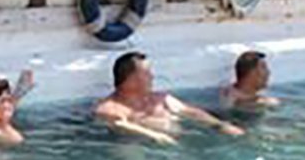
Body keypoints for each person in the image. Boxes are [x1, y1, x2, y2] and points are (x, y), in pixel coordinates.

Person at [95, 52, 245, 145]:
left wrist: (220, 125)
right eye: (147, 73)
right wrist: (155, 136)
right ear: (131, 79)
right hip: (140, 145)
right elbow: (119, 123)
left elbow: (191, 112)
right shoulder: (110, 107)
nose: (152, 77)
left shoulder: (161, 99)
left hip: (178, 144)